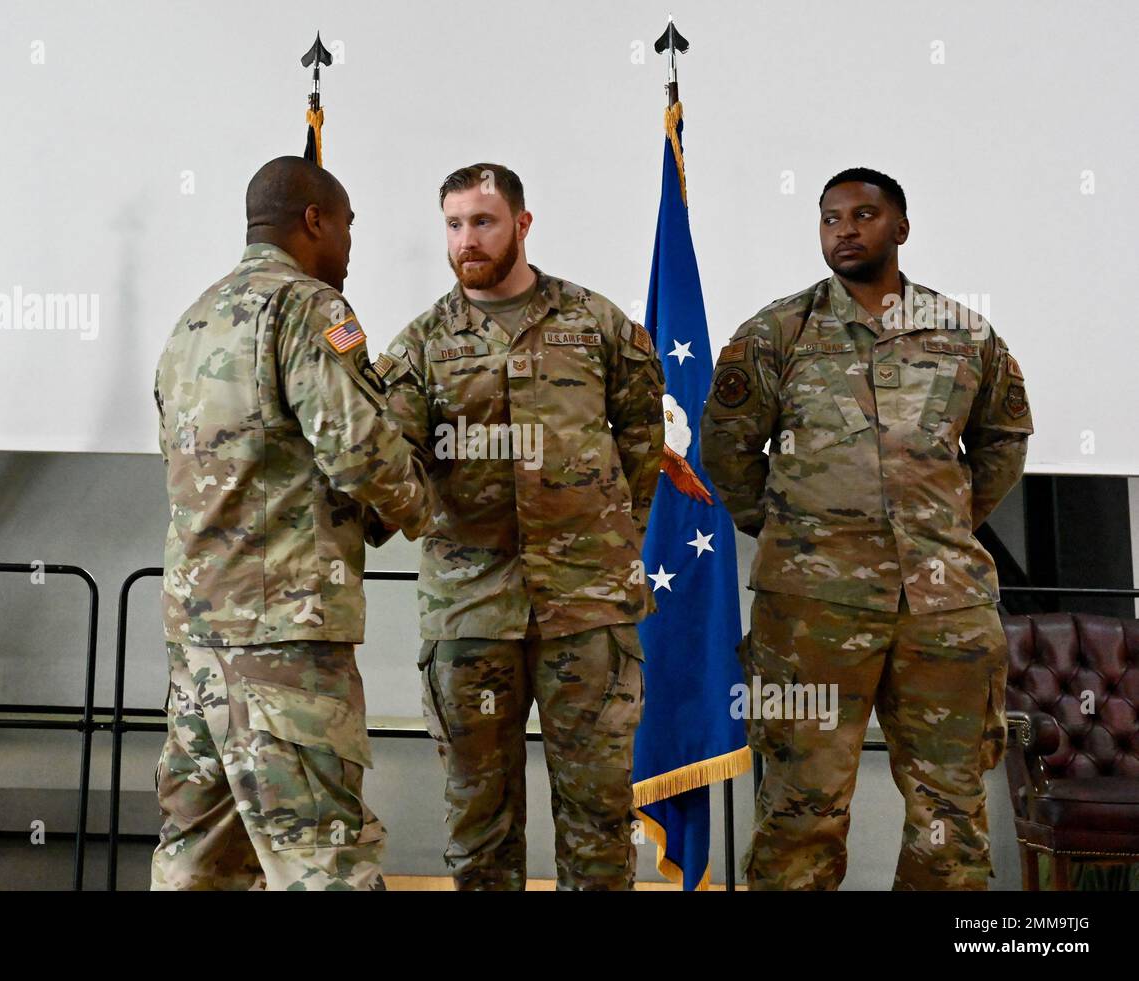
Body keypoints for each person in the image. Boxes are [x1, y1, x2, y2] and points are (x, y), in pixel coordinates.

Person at [699, 167, 1034, 890]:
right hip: (810, 616)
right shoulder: (774, 333)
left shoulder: (965, 332)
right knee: (800, 809)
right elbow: (726, 452)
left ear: (901, 228)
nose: (844, 229)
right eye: (830, 217)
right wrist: (794, 532)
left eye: (863, 214)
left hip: (943, 611)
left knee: (951, 814)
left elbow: (1005, 436)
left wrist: (942, 523)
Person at [374, 163, 665, 890]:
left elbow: (641, 437)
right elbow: (390, 461)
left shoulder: (595, 322)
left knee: (598, 822)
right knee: (479, 827)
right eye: (454, 224)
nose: (466, 239)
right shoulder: (419, 347)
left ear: (522, 225)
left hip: (587, 611)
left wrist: (601, 533)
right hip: (471, 610)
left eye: (483, 221)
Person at [151, 156, 436, 890]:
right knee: (322, 856)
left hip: (197, 643)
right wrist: (426, 505)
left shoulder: (192, 322)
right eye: (345, 226)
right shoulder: (308, 308)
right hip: (284, 641)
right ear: (313, 220)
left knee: (197, 861)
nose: (348, 244)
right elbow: (359, 449)